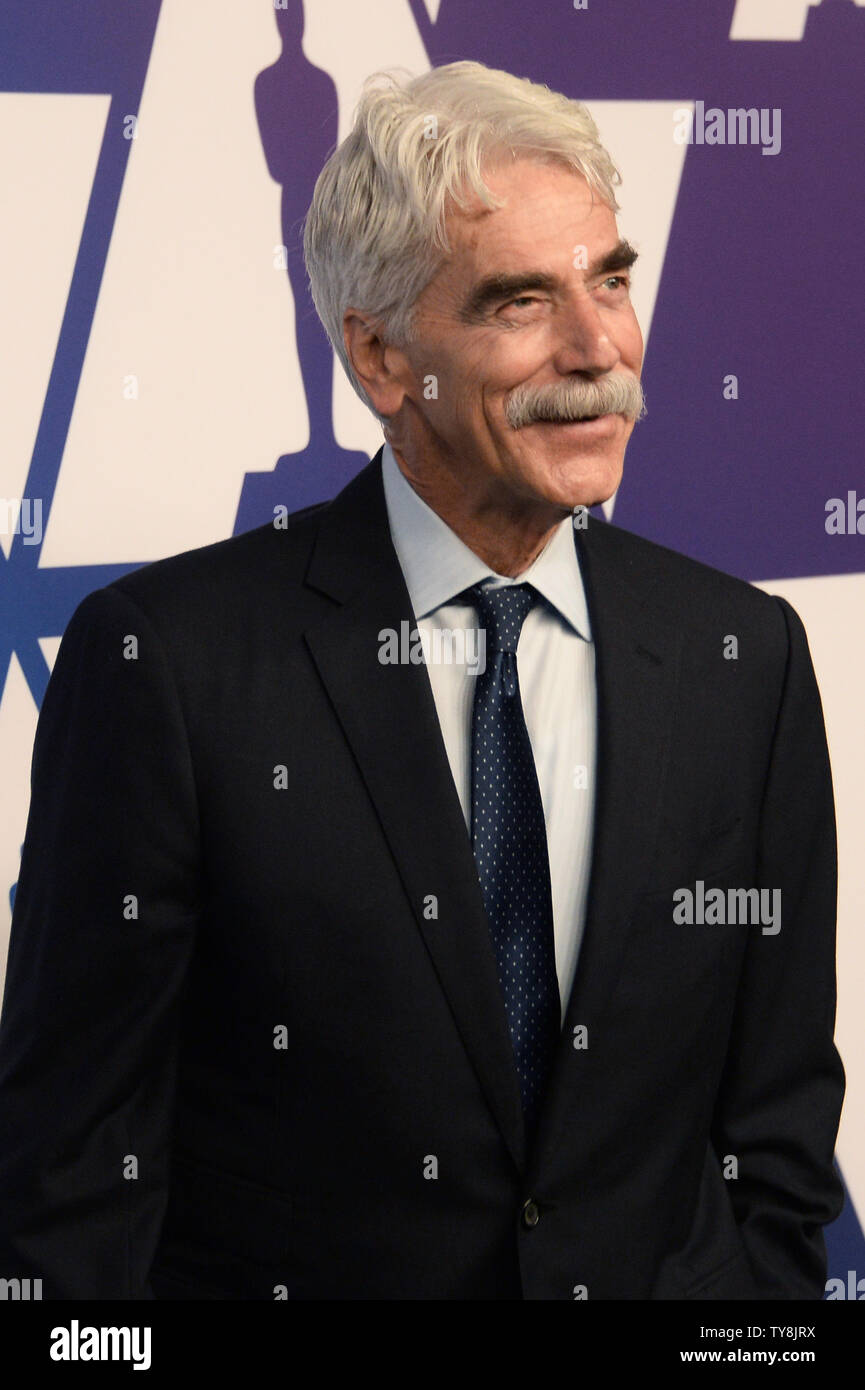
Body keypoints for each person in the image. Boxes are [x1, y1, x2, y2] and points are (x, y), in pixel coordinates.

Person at [0, 60, 844, 1300]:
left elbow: (772, 1128)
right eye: (519, 302)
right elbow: (69, 1175)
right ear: (383, 360)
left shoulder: (742, 655)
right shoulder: (167, 666)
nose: (595, 347)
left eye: (609, 279)